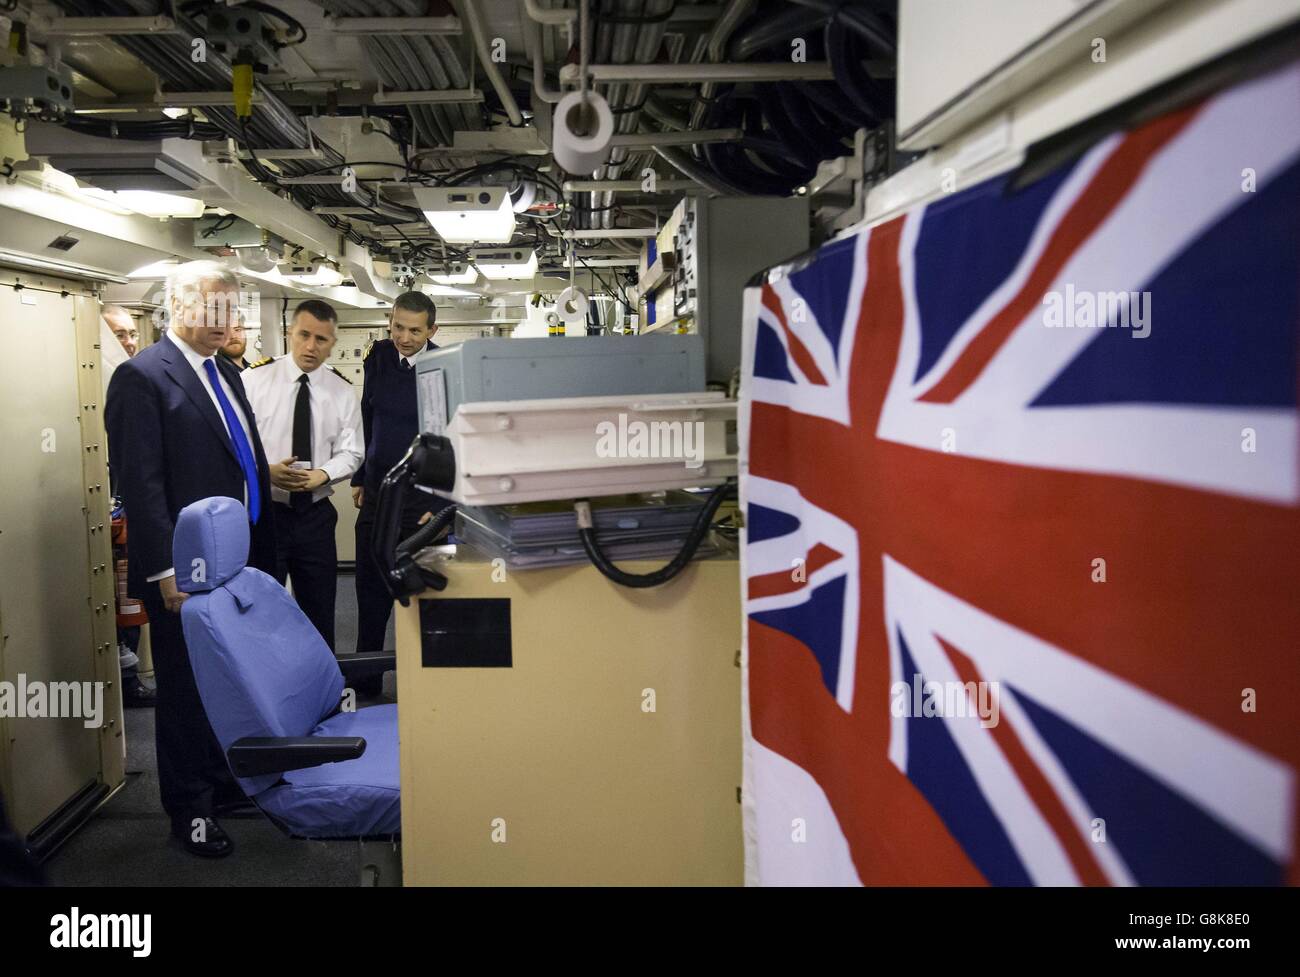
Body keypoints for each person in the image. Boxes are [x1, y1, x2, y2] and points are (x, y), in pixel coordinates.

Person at [104, 260, 276, 859]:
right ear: (178, 306)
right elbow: (141, 482)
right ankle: (191, 810)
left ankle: (223, 783)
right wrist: (163, 570)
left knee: (224, 682)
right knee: (184, 689)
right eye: (213, 311)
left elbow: (241, 461)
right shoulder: (142, 377)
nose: (224, 323)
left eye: (231, 312)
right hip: (182, 568)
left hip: (232, 560)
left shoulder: (224, 371)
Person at [243, 299, 363, 650]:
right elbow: (235, 444)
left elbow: (353, 451)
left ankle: (322, 692)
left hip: (314, 517)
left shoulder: (341, 391)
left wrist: (323, 474)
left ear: (332, 344)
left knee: (319, 609)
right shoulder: (253, 380)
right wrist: (265, 472)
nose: (311, 346)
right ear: (289, 333)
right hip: (267, 515)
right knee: (260, 610)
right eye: (304, 335)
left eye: (321, 339)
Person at [352, 290, 440, 656]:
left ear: (432, 330)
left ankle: (428, 682)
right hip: (377, 493)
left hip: (422, 499)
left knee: (422, 594)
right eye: (398, 328)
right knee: (370, 590)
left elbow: (451, 439)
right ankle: (367, 677)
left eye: (415, 331)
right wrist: (359, 475)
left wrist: (445, 503)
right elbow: (366, 418)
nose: (404, 338)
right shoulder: (379, 359)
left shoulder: (444, 366)